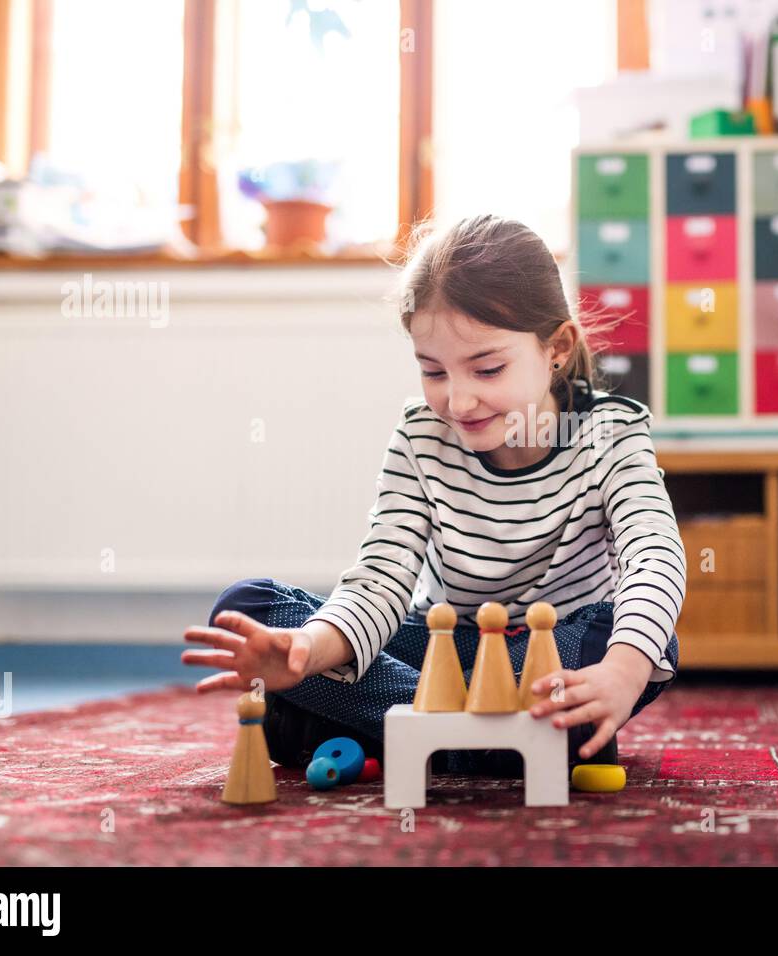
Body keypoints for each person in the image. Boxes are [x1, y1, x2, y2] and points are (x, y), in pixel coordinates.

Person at [183, 214, 685, 777]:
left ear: (557, 349)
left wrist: (623, 668)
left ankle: (400, 727)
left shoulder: (610, 435)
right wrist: (307, 650)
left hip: (548, 655)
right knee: (247, 608)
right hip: (440, 647)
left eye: (487, 369)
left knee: (645, 645)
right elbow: (381, 579)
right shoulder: (422, 436)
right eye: (434, 372)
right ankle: (501, 740)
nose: (461, 401)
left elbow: (655, 555)